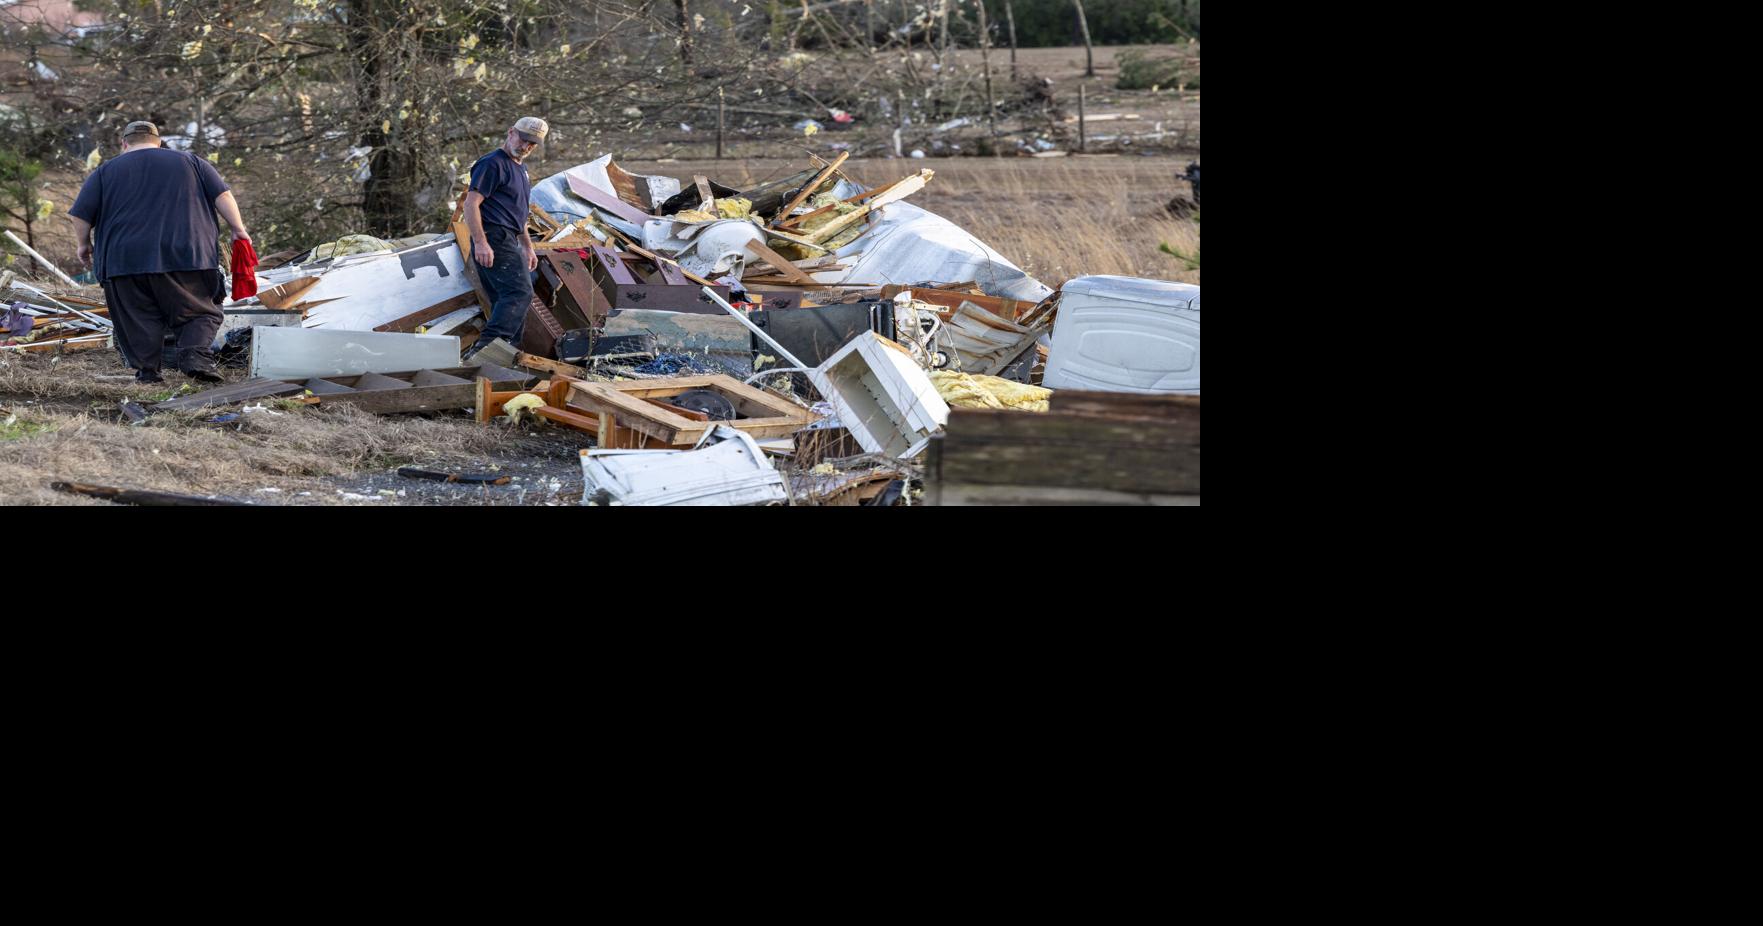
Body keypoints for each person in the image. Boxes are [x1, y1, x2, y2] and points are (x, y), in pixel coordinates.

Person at [68, 120, 249, 383]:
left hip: (123, 259)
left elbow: (80, 215)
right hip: (188, 252)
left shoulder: (104, 171)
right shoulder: (192, 162)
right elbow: (223, 195)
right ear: (159, 141)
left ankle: (148, 372)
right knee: (200, 309)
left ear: (124, 143)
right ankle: (195, 356)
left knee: (137, 316)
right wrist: (238, 229)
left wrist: (83, 245)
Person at [461, 116, 547, 361]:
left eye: (532, 144)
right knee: (519, 293)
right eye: (523, 139)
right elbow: (471, 204)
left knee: (506, 298)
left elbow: (519, 215)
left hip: (510, 237)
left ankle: (507, 357)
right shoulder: (492, 163)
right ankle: (486, 351)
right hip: (493, 235)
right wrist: (480, 241)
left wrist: (528, 247)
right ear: (511, 132)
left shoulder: (521, 169)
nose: (526, 147)